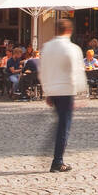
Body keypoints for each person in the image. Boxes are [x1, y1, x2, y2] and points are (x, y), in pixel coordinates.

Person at [38, 18, 88, 173]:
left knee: (60, 123)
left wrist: (47, 91)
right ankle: (57, 161)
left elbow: (43, 70)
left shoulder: (47, 47)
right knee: (63, 126)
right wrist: (81, 93)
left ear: (56, 30)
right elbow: (77, 72)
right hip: (66, 90)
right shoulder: (72, 48)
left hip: (53, 90)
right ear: (69, 31)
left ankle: (54, 153)